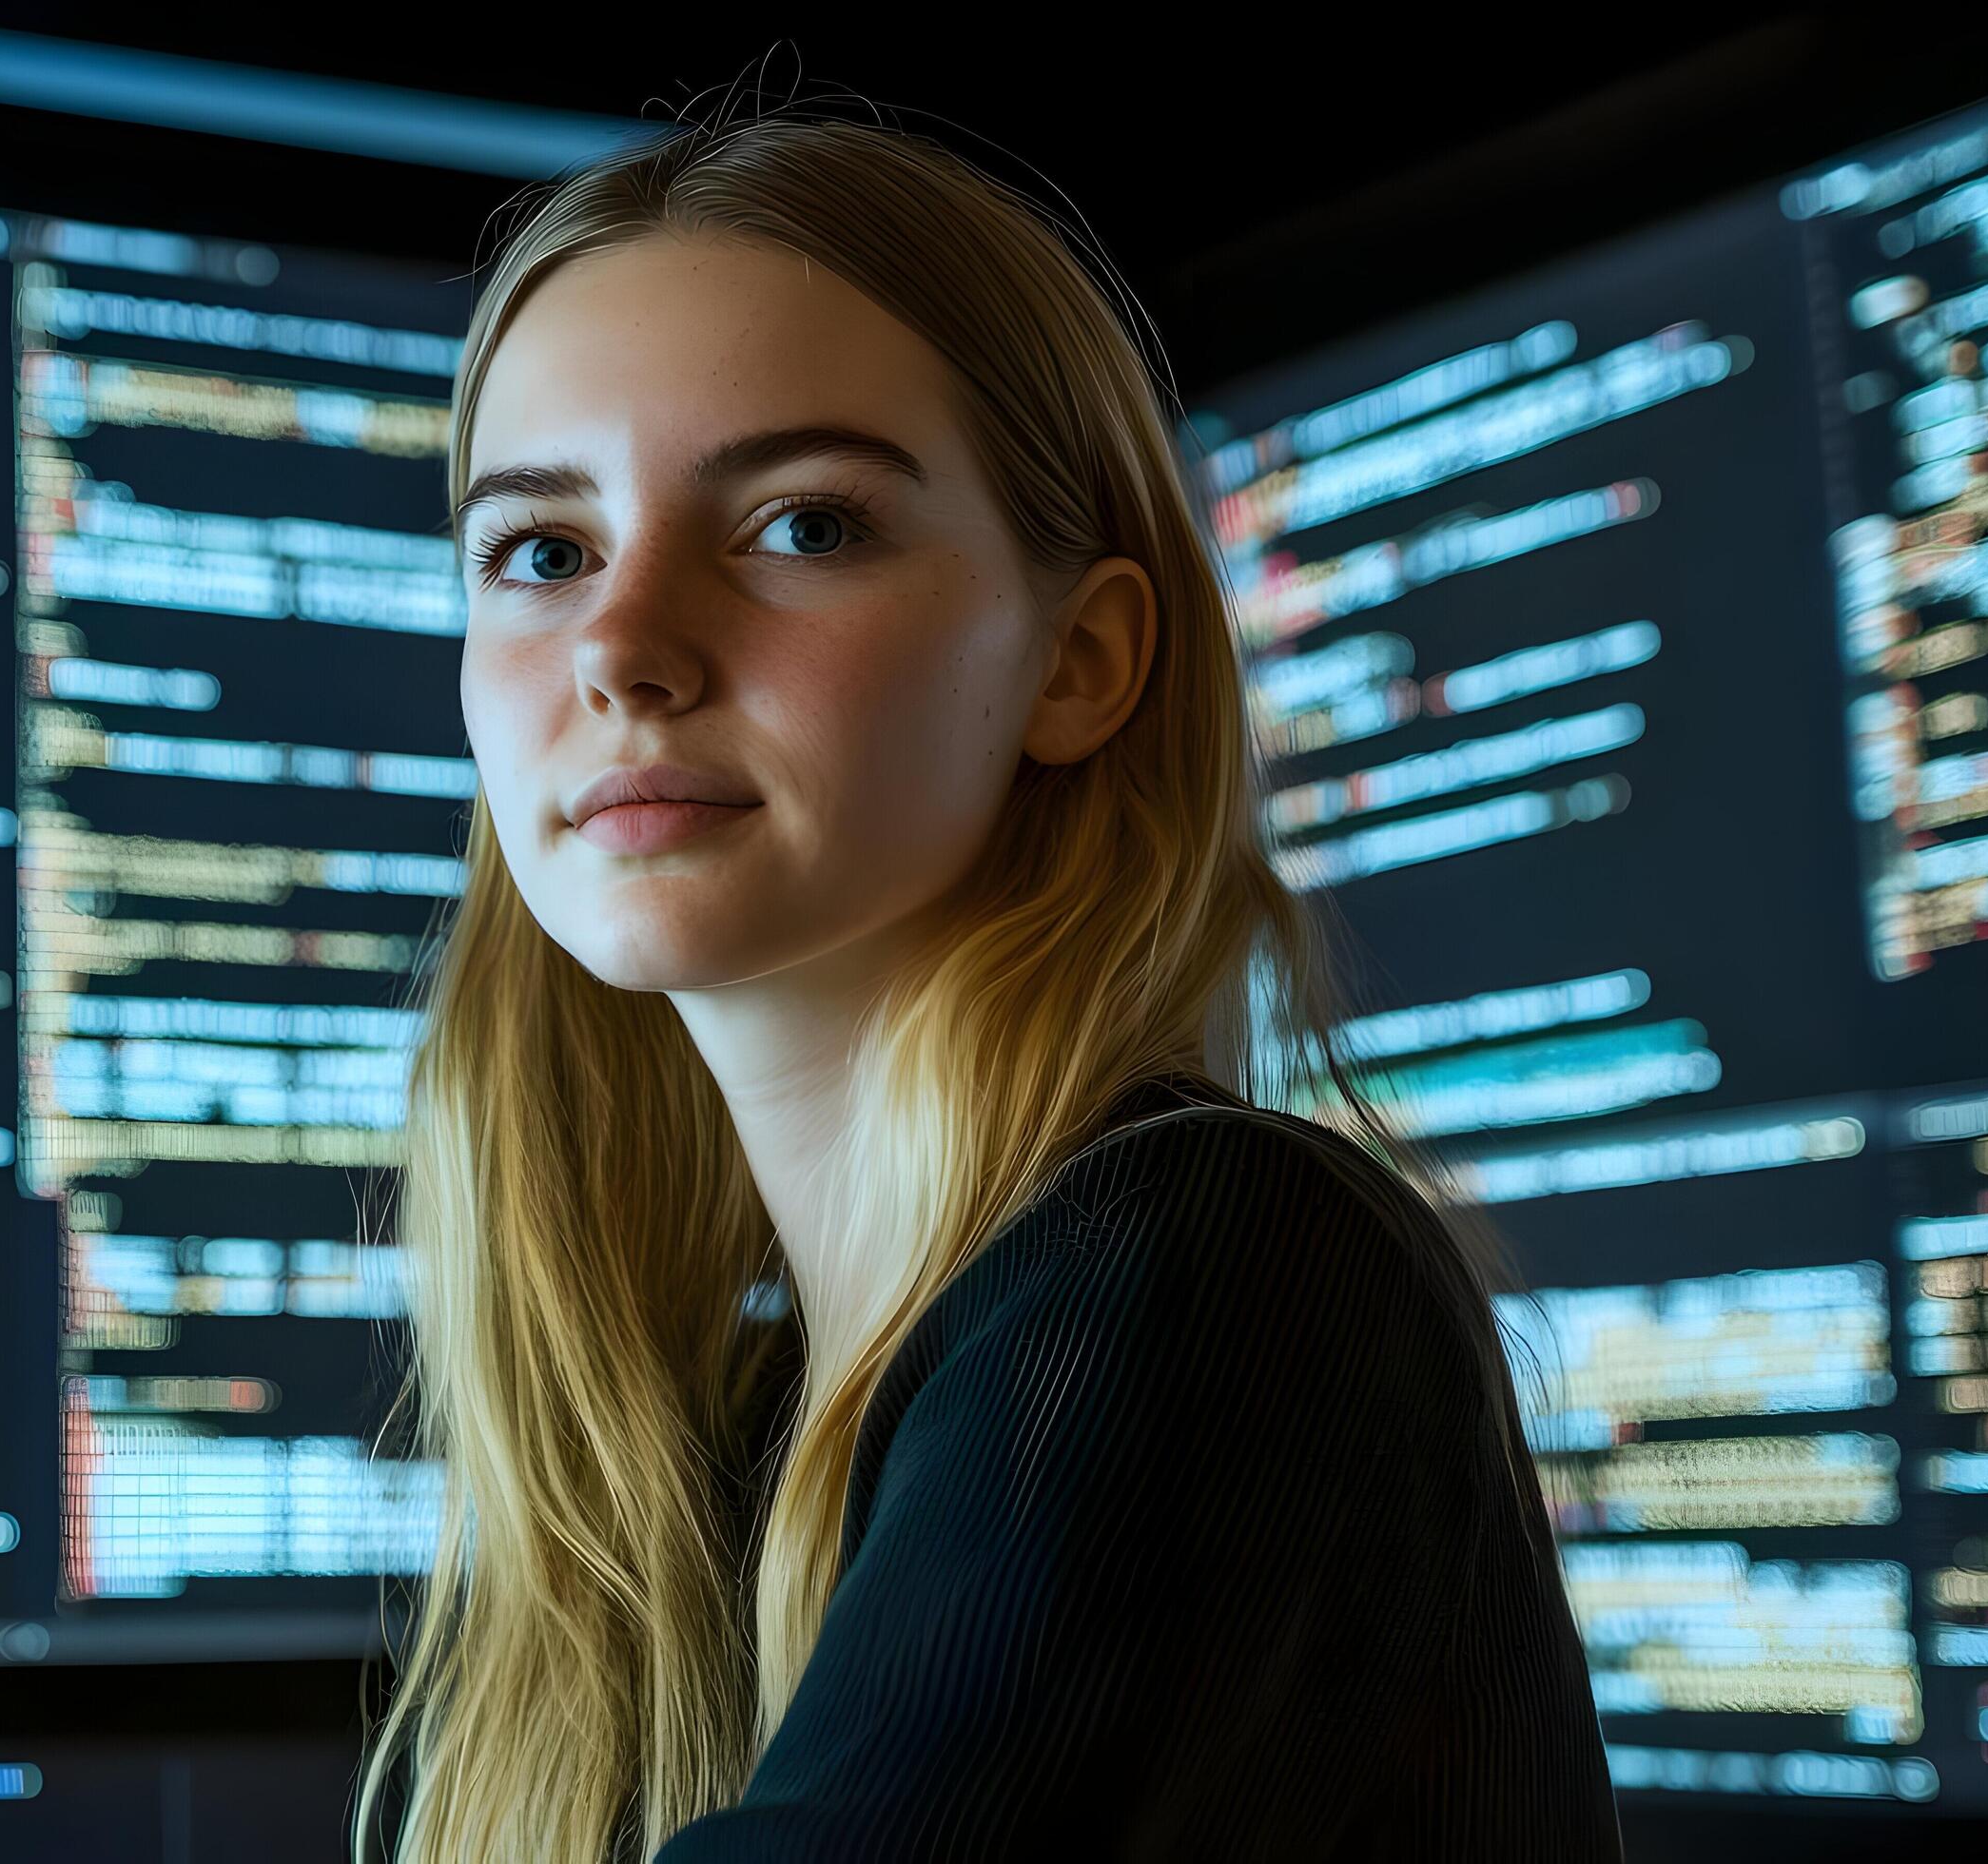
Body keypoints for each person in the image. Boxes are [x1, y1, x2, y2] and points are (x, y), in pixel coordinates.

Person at [353, 74, 1621, 1864]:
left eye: (804, 523)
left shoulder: (1213, 1262)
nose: (622, 650)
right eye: (541, 553)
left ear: (1078, 661)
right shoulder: (745, 1441)